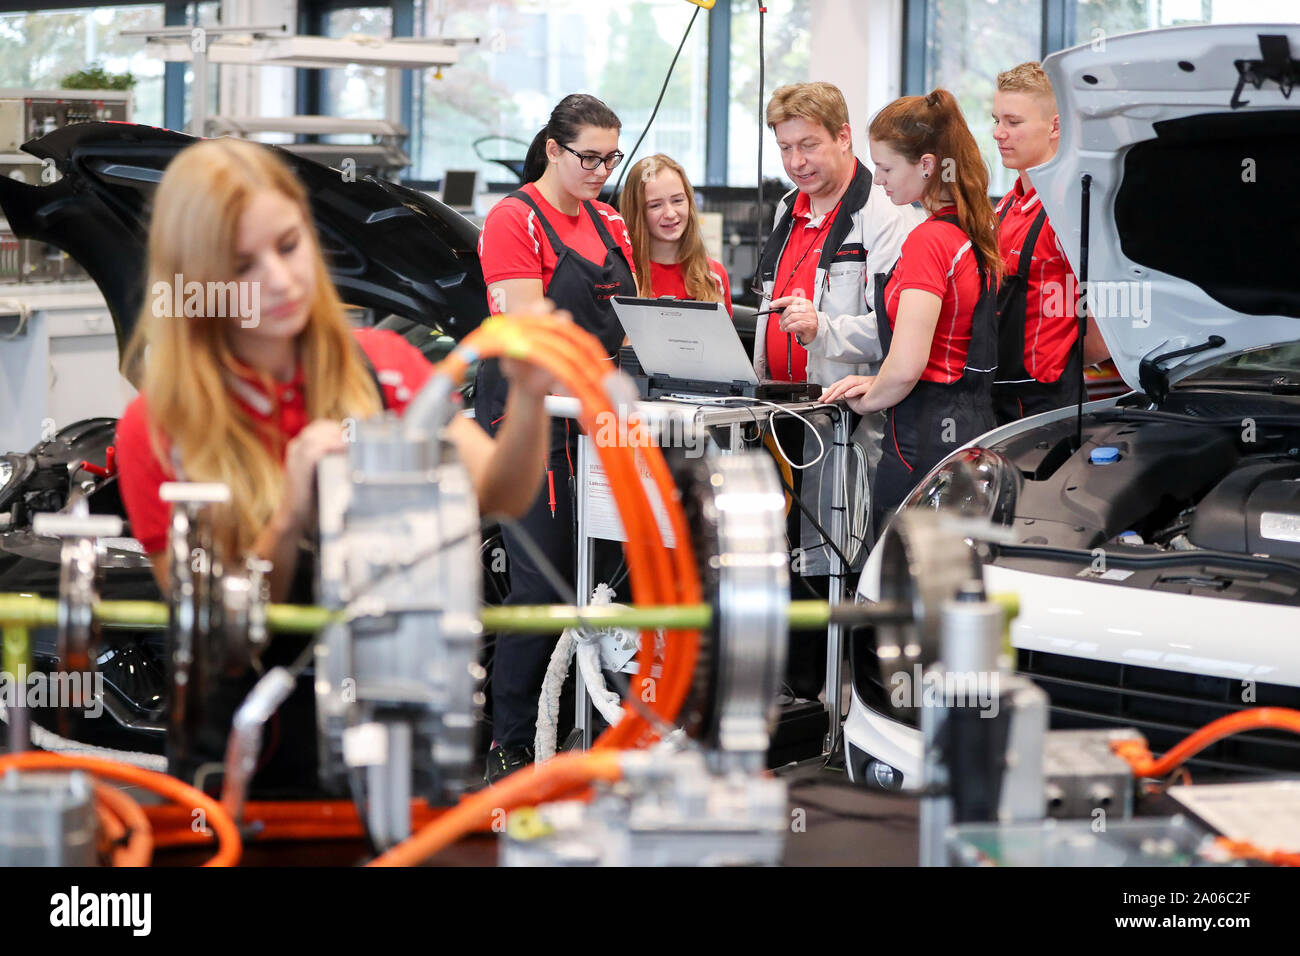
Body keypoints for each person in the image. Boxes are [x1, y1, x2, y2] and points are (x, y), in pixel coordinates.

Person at [114, 137, 552, 791]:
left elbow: (502, 493)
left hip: (398, 734)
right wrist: (290, 514)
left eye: (288, 246)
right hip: (251, 760)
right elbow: (220, 636)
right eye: (242, 267)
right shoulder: (159, 428)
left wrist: (529, 397)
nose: (281, 280)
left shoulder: (383, 366)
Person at [475, 93, 638, 783]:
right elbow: (529, 337)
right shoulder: (516, 220)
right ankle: (508, 742)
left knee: (599, 583)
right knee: (541, 587)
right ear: (552, 149)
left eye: (610, 157)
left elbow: (628, 324)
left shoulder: (609, 223)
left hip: (596, 422)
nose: (601, 170)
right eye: (588, 157)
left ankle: (587, 731)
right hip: (530, 425)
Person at [821, 90, 1002, 533]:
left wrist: (869, 397)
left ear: (925, 164)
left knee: (897, 584)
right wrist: (879, 379)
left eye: (885, 168)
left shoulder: (928, 242)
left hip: (922, 442)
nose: (878, 180)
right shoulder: (973, 231)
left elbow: (906, 367)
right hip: (972, 430)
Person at [990, 61, 1109, 424]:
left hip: (1047, 402)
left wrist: (1057, 358)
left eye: (1013, 122)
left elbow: (1103, 336)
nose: (998, 133)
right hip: (995, 393)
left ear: (1056, 125)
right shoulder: (1006, 207)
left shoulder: (1071, 210)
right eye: (996, 120)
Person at [618, 153, 731, 314]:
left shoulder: (713, 275)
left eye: (678, 200)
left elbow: (724, 338)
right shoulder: (622, 275)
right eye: (655, 205)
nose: (670, 213)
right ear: (636, 211)